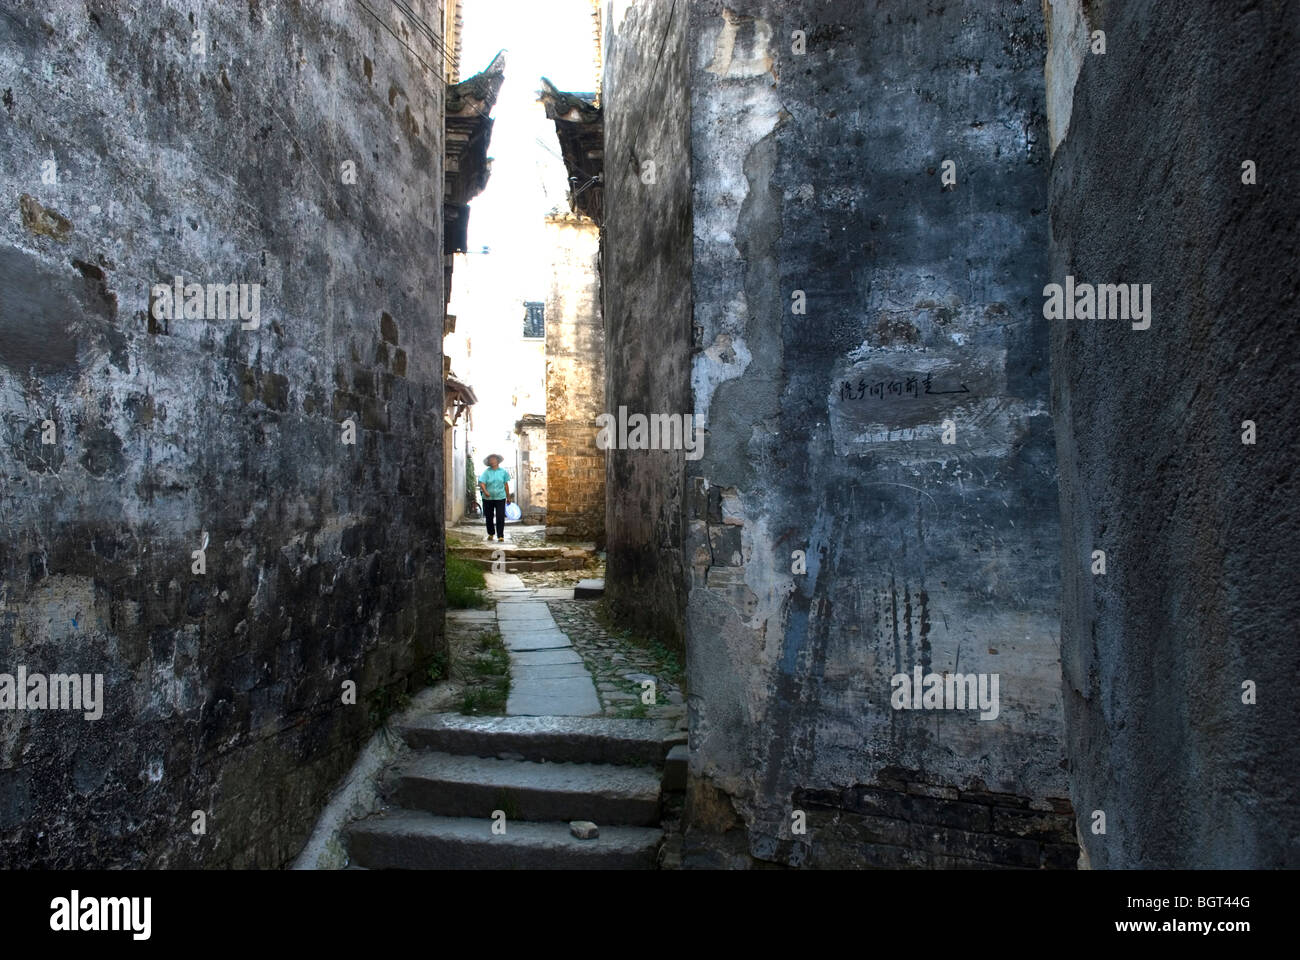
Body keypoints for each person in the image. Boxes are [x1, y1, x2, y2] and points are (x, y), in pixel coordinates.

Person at [477, 454, 512, 542]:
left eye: (493, 459)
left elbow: (506, 485)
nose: (491, 461)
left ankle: (500, 535)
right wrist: (485, 491)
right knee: (489, 516)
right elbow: (482, 483)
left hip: (500, 497)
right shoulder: (486, 472)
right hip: (488, 498)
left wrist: (508, 497)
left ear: (497, 460)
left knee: (500, 516)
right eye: (490, 459)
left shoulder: (503, 472)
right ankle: (491, 533)